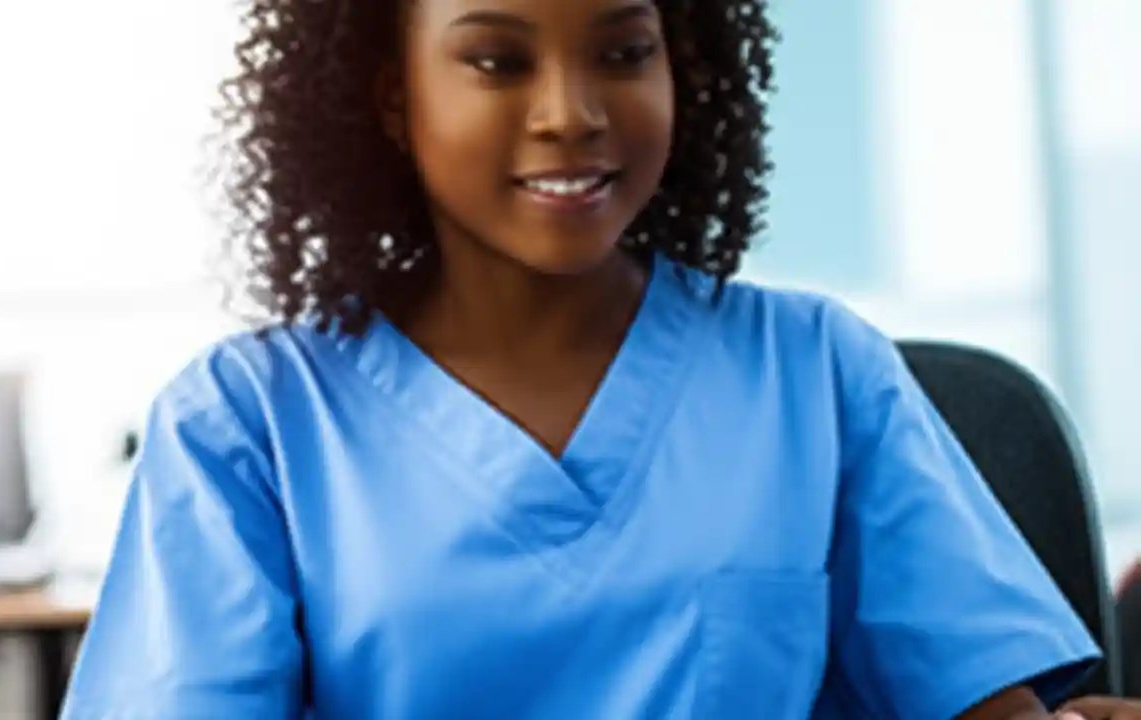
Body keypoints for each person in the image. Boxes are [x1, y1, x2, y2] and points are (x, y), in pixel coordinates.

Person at [61, 1, 1112, 717]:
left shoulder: (817, 372)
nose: (570, 112)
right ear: (392, 97)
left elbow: (981, 702)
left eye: (621, 52)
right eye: (496, 60)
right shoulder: (247, 424)